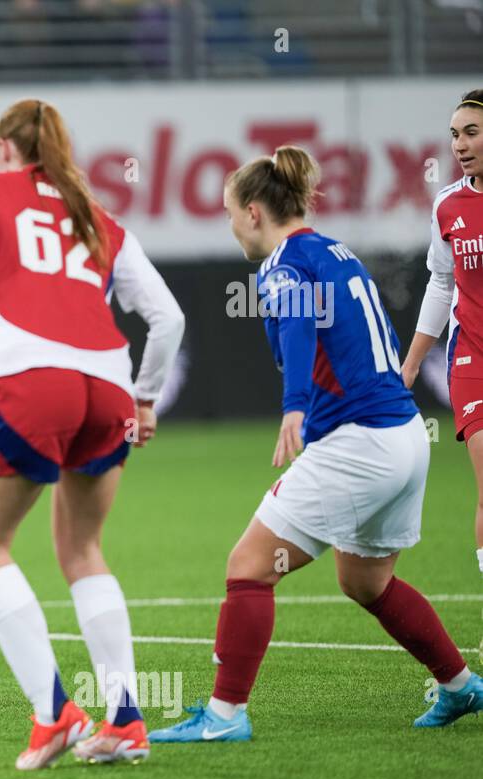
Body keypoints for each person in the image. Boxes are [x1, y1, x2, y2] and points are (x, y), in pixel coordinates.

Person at [151, 145, 482, 744]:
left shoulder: (283, 266)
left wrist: (294, 406)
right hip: (405, 437)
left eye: (229, 214)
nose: (229, 227)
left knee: (248, 568)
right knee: (365, 582)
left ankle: (224, 717)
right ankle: (459, 685)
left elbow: (300, 327)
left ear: (254, 212)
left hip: (361, 443)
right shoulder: (333, 250)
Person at [0, 99, 185, 769]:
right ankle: (124, 720)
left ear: (5, 146)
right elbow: (168, 318)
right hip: (109, 385)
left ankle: (53, 710)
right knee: (84, 549)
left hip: (32, 377)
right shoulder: (99, 218)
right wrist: (144, 399)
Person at [401, 90, 483, 588]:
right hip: (473, 360)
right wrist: (410, 366)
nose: (460, 144)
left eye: (471, 132)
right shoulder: (448, 204)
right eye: (455, 134)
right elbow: (441, 283)